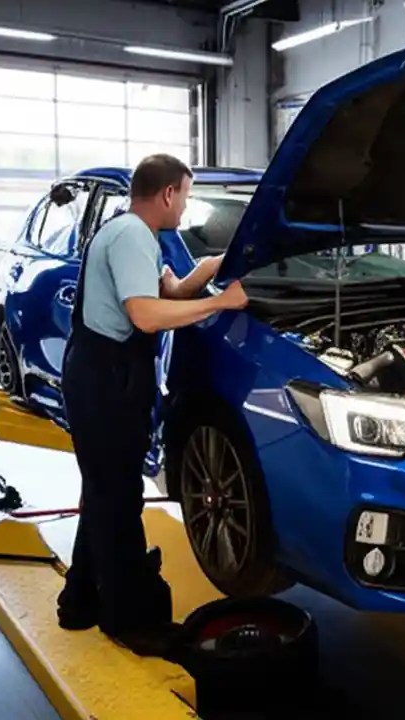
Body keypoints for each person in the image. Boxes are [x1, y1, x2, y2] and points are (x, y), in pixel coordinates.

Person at [56, 153, 247, 655]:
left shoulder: (137, 236)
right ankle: (129, 620)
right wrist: (219, 303)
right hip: (105, 377)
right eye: (185, 194)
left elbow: (169, 292)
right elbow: (144, 316)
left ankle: (77, 601)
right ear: (167, 194)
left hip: (108, 372)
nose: (184, 206)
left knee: (103, 491)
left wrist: (208, 273)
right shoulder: (132, 237)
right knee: (118, 498)